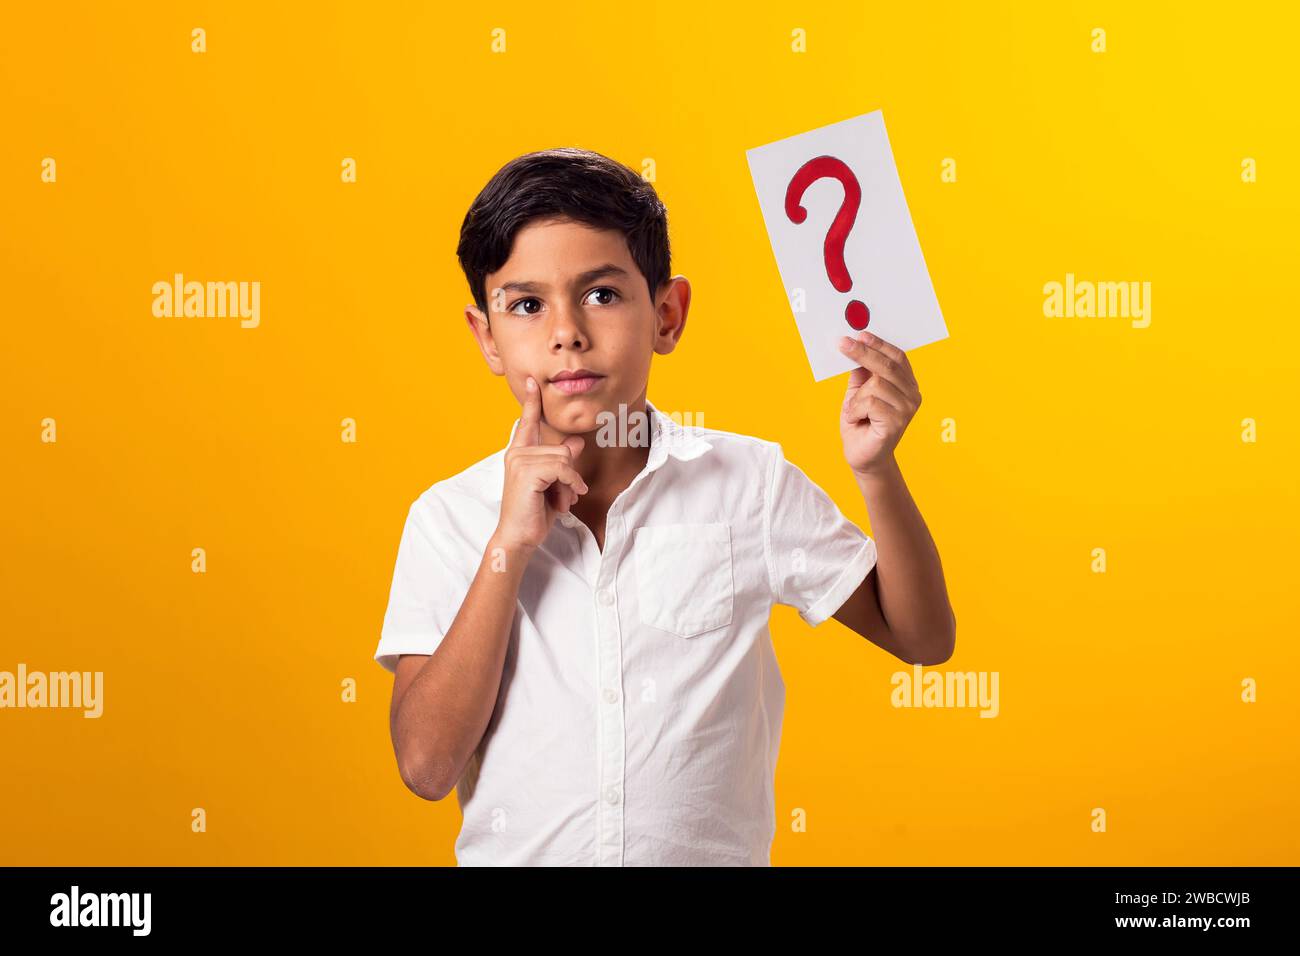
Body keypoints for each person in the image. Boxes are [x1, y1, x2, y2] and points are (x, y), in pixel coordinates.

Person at [373, 147, 956, 865]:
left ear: (668, 315)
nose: (567, 333)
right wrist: (509, 545)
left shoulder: (748, 482)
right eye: (527, 305)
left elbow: (924, 638)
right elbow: (426, 766)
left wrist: (877, 472)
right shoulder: (449, 518)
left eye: (602, 295)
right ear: (487, 338)